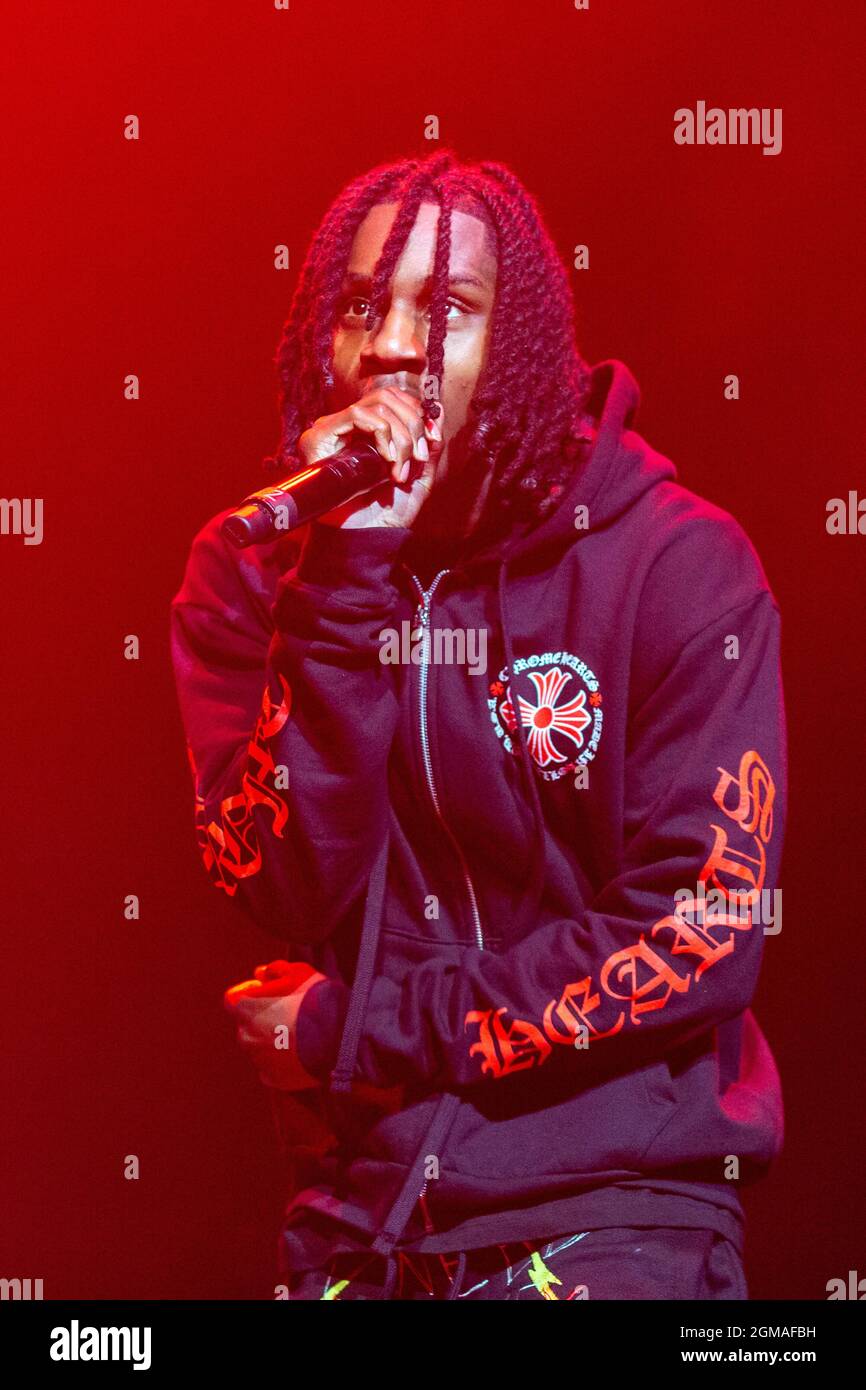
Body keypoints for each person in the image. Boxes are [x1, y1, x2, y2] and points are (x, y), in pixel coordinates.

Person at [169, 148, 786, 1301]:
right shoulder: (256, 572)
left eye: (445, 309)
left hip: (611, 1217)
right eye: (362, 305)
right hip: (360, 1225)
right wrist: (342, 579)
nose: (393, 345)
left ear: (523, 348)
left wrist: (356, 1031)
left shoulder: (673, 565)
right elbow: (282, 884)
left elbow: (694, 932)